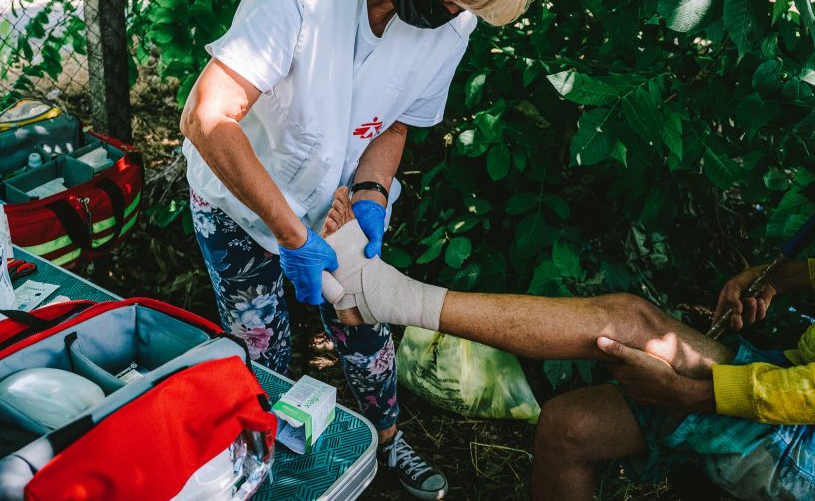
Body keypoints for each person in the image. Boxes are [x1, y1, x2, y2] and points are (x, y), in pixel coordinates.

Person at [180, 0, 544, 499]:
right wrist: (291, 234)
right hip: (238, 197)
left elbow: (396, 120)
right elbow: (207, 118)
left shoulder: (453, 20)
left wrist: (372, 195)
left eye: (466, 9)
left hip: (335, 196)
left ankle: (384, 440)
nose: (449, 16)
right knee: (261, 340)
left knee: (362, 321)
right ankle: (272, 458)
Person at [320, 186, 815, 501]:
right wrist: (782, 277)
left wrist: (686, 394)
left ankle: (381, 297)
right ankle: (379, 296)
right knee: (567, 428)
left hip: (803, 430)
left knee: (630, 320)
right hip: (781, 377)